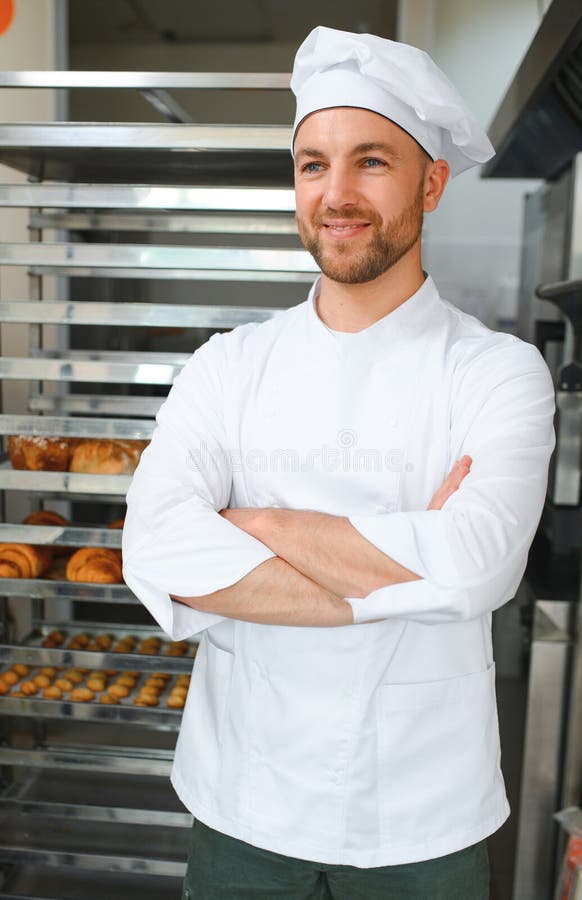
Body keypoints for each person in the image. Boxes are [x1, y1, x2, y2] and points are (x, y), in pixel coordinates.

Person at [122, 25, 555, 900]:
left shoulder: (496, 371)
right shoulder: (228, 364)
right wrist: (406, 577)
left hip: (421, 815)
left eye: (371, 161)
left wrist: (252, 525)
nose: (336, 194)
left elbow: (476, 564)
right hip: (242, 798)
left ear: (430, 182)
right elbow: (159, 547)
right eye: (313, 164)